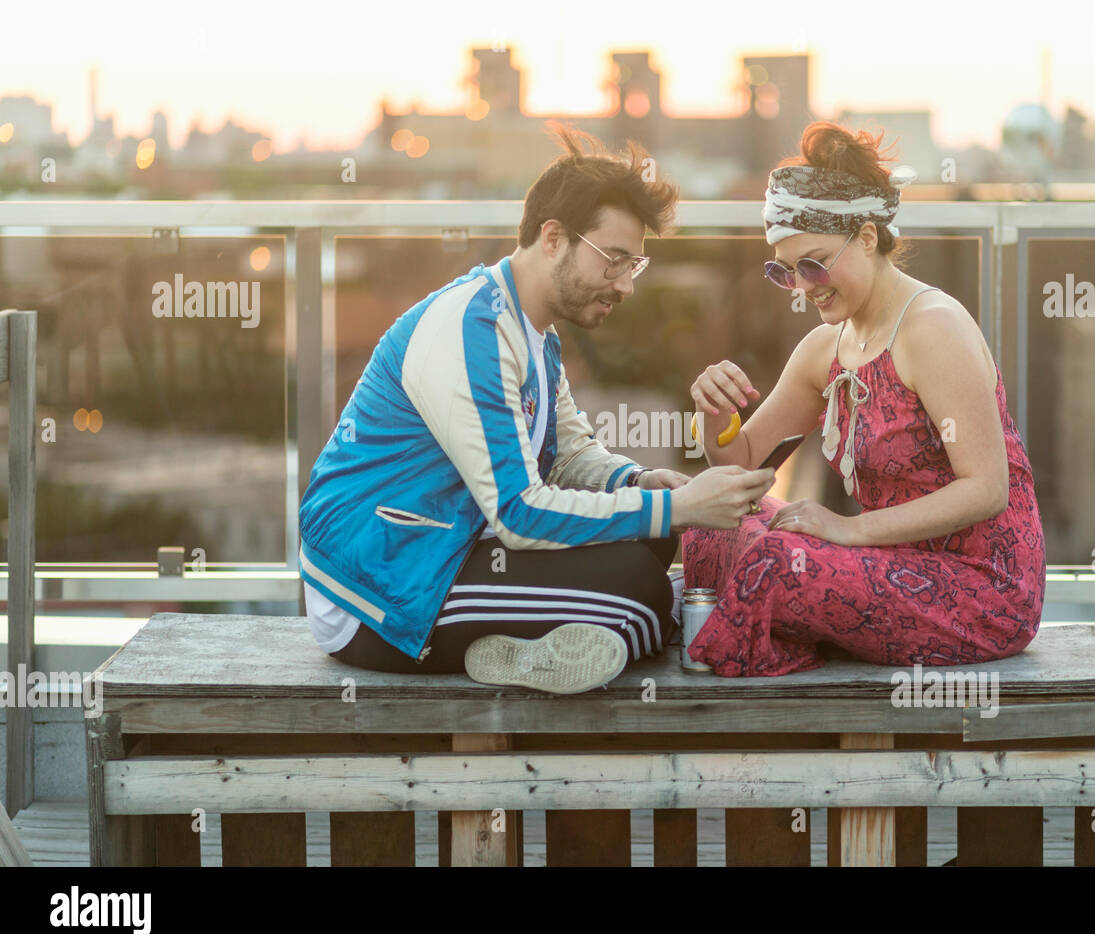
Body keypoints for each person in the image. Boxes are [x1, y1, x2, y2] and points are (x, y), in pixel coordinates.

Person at [298, 124, 774, 694]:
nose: (625, 286)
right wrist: (675, 506)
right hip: (379, 586)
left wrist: (646, 481)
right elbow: (520, 513)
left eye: (634, 267)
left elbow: (570, 454)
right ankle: (596, 633)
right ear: (553, 237)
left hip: (446, 544)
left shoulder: (534, 334)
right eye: (614, 260)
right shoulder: (472, 331)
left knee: (650, 546)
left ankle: (552, 645)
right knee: (641, 589)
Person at [682, 121, 1046, 677]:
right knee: (711, 519)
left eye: (814, 263)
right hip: (890, 565)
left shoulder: (932, 328)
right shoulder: (825, 348)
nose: (804, 286)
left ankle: (739, 635)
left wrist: (848, 529)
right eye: (786, 272)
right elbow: (739, 467)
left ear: (869, 238)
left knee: (776, 561)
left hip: (982, 590)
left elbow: (988, 488)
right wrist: (714, 418)